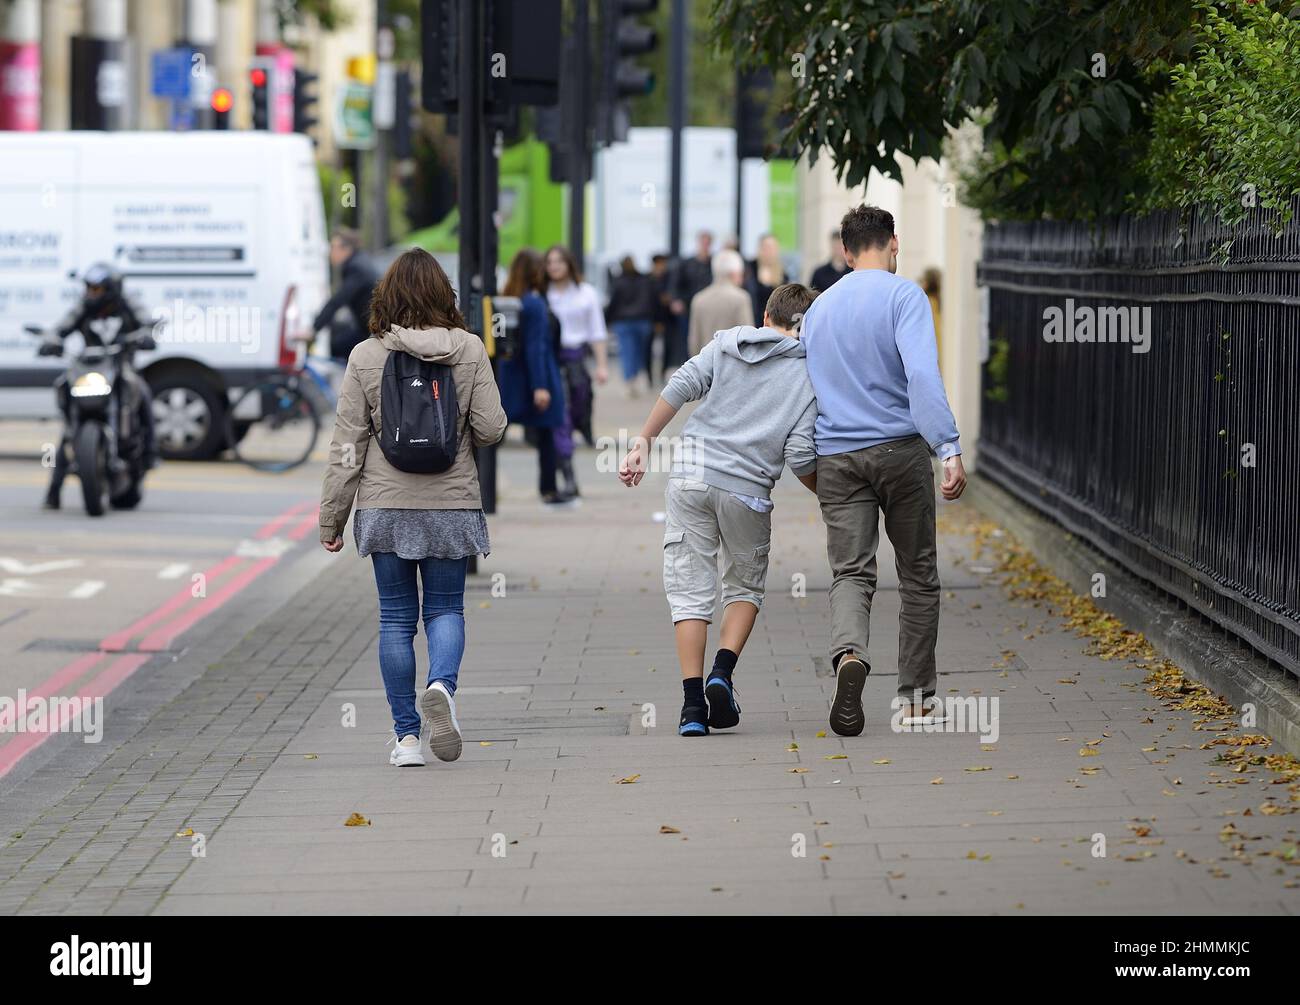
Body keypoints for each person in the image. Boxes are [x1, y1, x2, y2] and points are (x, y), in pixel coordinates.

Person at [319, 247, 507, 768]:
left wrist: (332, 517)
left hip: (385, 506)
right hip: (450, 506)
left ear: (388, 296)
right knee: (446, 609)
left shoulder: (365, 355)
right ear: (442, 295)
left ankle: (406, 739)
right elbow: (492, 429)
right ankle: (442, 687)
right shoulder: (469, 349)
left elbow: (347, 446)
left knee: (396, 619)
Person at [619, 283, 820, 737]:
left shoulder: (727, 343)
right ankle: (721, 674)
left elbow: (681, 384)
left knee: (690, 592)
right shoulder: (809, 375)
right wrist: (828, 495)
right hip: (746, 492)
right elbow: (802, 454)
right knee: (744, 587)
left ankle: (692, 709)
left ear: (766, 315)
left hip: (691, 477)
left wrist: (643, 442)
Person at [800, 205, 967, 739]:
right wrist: (948, 446)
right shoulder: (904, 297)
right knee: (917, 572)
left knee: (851, 573)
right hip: (899, 451)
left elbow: (804, 388)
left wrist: (806, 459)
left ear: (846, 252)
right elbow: (920, 373)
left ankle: (849, 655)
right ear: (894, 244)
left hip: (838, 458)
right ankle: (916, 698)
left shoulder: (821, 308)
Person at [39, 263, 157, 510]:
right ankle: (54, 490)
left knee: (143, 392)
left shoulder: (127, 304)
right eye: (89, 288)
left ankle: (150, 452)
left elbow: (149, 323)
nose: (91, 293)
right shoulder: (84, 306)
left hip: (119, 365)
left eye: (97, 289)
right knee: (68, 424)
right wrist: (51, 340)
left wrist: (146, 334)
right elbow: (62, 326)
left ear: (111, 289)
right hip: (89, 367)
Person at [498, 249, 571, 505]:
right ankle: (549, 489)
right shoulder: (534, 303)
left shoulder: (508, 300)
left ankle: (483, 484)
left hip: (510, 377)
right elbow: (536, 346)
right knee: (547, 432)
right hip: (538, 374)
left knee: (495, 433)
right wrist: (540, 386)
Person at [544, 244, 608, 497]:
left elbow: (597, 331)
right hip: (553, 360)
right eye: (550, 262)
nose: (554, 267)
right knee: (562, 417)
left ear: (569, 264)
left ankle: (583, 425)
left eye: (559, 261)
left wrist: (602, 365)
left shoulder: (586, 293)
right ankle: (569, 475)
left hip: (577, 358)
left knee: (580, 404)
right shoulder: (543, 294)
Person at [313, 229, 380, 362]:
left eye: (333, 247)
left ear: (347, 249)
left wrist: (314, 329)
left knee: (339, 346)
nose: (330, 252)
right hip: (370, 329)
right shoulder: (358, 261)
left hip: (373, 333)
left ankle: (354, 381)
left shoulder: (356, 268)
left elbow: (338, 300)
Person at [605, 255, 657, 397]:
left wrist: (607, 320)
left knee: (627, 352)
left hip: (624, 321)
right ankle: (637, 378)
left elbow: (613, 302)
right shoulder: (644, 280)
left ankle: (630, 381)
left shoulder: (618, 282)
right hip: (643, 320)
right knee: (639, 353)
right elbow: (652, 300)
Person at [687, 249, 755, 356]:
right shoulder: (741, 298)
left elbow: (694, 341)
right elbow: (747, 337)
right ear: (734, 273)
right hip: (732, 365)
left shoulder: (699, 299)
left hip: (705, 364)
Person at [667, 230, 714, 370]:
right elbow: (675, 284)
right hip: (688, 308)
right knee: (688, 338)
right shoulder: (686, 264)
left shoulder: (713, 263)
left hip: (708, 309)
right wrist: (675, 300)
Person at [744, 233, 789, 323]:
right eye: (765, 247)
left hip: (774, 324)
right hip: (752, 322)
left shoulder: (783, 275)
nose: (769, 251)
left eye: (772, 248)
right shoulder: (750, 269)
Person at [647, 253, 675, 385]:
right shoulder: (648, 280)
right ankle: (650, 377)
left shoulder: (669, 279)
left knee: (668, 349)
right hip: (651, 319)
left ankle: (663, 373)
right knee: (647, 350)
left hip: (667, 319)